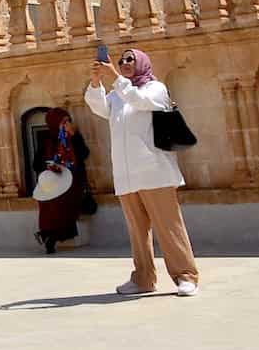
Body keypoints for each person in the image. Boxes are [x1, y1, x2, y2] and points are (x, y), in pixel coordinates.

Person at [86, 47, 200, 296]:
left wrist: (115, 77)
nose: (125, 62)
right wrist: (96, 83)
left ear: (142, 63)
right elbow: (99, 108)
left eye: (130, 59)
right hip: (127, 175)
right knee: (137, 233)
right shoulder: (117, 95)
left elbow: (139, 101)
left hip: (154, 172)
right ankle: (143, 279)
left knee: (168, 226)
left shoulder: (154, 89)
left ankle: (185, 275)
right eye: (121, 59)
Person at [32, 108, 90, 255]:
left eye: (68, 121)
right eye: (63, 122)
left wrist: (74, 136)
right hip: (53, 179)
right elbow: (36, 164)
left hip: (72, 179)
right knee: (46, 202)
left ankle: (52, 236)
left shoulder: (73, 138)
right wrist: (50, 168)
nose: (67, 124)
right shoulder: (47, 141)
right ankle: (46, 233)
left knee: (63, 201)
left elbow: (84, 154)